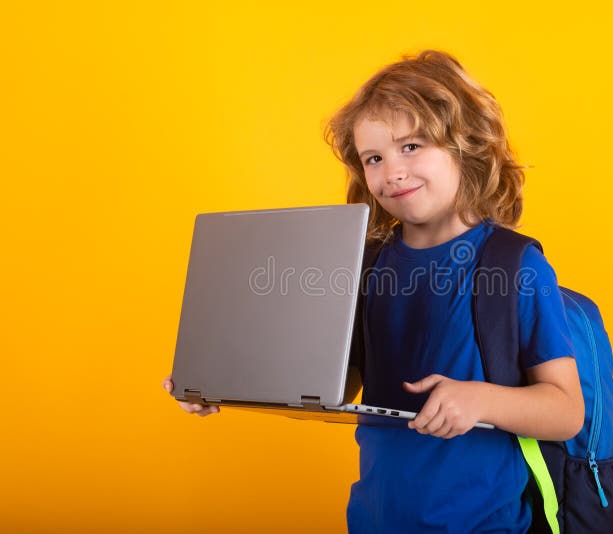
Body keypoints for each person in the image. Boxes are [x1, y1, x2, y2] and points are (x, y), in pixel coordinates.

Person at [163, 49, 584, 533]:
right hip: (374, 517)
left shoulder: (515, 266)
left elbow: (566, 411)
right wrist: (223, 383)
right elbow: (342, 386)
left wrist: (481, 400)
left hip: (480, 523)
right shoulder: (364, 264)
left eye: (411, 146)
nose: (392, 172)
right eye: (374, 158)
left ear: (465, 144)